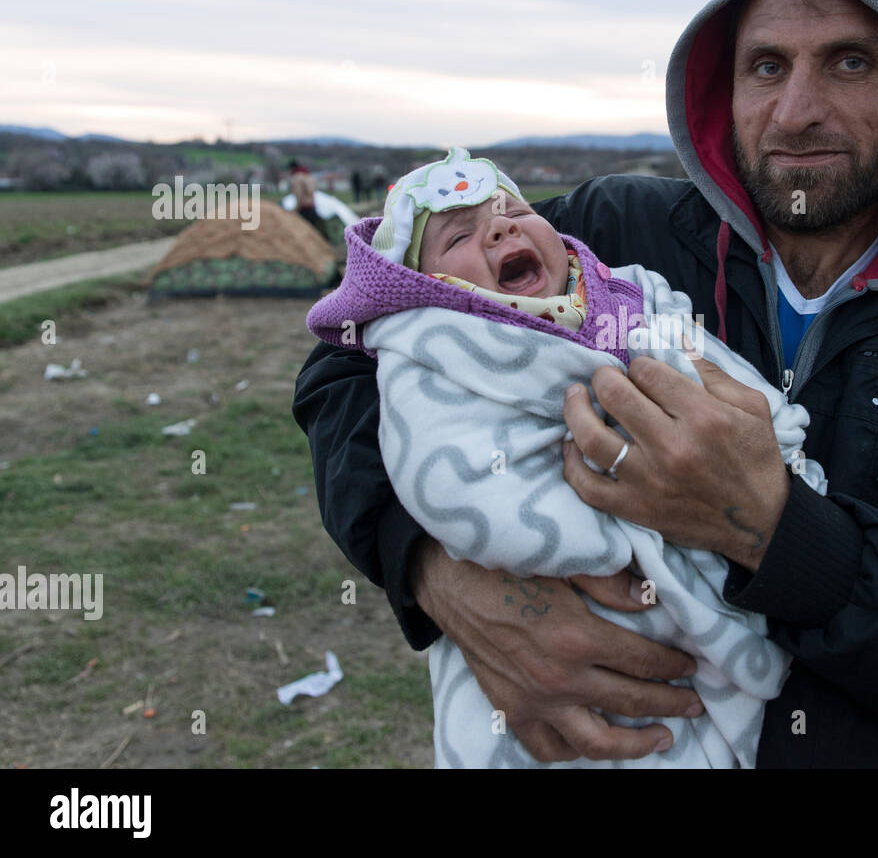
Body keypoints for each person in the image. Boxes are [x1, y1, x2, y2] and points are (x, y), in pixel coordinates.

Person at [293, 0, 878, 767]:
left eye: (851, 61)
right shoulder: (609, 233)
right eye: (766, 66)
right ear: (724, 90)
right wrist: (434, 570)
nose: (796, 111)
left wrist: (780, 532)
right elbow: (350, 360)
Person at [306, 147, 828, 767]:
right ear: (426, 287)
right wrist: (425, 561)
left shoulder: (625, 292)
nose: (500, 227)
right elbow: (441, 465)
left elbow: (707, 363)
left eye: (514, 211)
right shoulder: (435, 339)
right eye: (460, 236)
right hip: (578, 593)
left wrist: (775, 438)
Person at [288, 161, 324, 237]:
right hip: (312, 207)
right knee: (312, 233)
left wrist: (296, 209)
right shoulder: (309, 176)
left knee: (302, 234)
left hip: (304, 209)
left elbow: (299, 195)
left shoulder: (296, 178)